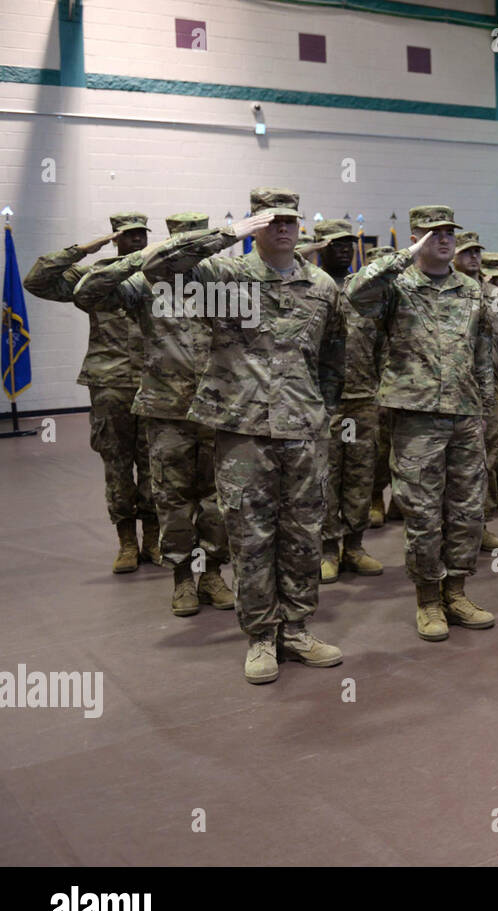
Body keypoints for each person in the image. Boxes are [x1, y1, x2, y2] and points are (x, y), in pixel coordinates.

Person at [141, 188, 347, 684]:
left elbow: (333, 359)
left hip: (302, 431)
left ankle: (295, 630)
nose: (282, 228)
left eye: (289, 220)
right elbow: (158, 267)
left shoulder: (321, 286)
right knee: (250, 539)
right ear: (257, 225)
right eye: (271, 220)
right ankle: (260, 637)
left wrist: (319, 411)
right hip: (243, 431)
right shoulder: (224, 278)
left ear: (300, 227)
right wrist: (229, 232)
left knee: (301, 537)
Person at [72, 212, 236, 616]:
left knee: (219, 500)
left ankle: (213, 573)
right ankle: (181, 578)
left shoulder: (227, 279)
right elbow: (86, 294)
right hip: (165, 409)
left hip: (218, 407)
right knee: (172, 498)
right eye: (181, 242)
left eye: (195, 240)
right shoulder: (145, 283)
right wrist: (138, 256)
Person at [346, 206, 496, 640]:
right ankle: (428, 598)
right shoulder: (396, 286)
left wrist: (484, 407)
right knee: (424, 514)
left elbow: (482, 350)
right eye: (433, 233)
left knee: (467, 511)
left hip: (465, 415)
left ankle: (457, 591)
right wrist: (404, 256)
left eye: (449, 232)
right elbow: (356, 292)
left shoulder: (471, 290)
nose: (445, 239)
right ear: (416, 238)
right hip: (415, 418)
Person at [24, 213, 157, 572]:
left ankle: (154, 540)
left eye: (141, 234)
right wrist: (83, 249)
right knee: (116, 464)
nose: (137, 240)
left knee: (155, 466)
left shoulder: (160, 275)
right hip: (110, 383)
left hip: (157, 384)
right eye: (127, 235)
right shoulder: (93, 276)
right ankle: (127, 543)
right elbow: (36, 282)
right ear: (115, 239)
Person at [313, 219, 383, 583]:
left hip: (362, 399)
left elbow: (384, 344)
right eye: (334, 243)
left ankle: (354, 547)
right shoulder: (310, 287)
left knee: (359, 475)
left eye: (348, 243)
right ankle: (327, 549)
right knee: (325, 477)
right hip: (324, 402)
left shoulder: (365, 290)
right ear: (319, 247)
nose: (344, 248)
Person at [453, 230, 498, 549]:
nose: (473, 257)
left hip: (486, 389)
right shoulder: (438, 290)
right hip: (442, 392)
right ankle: (446, 532)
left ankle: (478, 526)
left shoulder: (494, 296)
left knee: (485, 455)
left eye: (476, 252)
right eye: (466, 252)